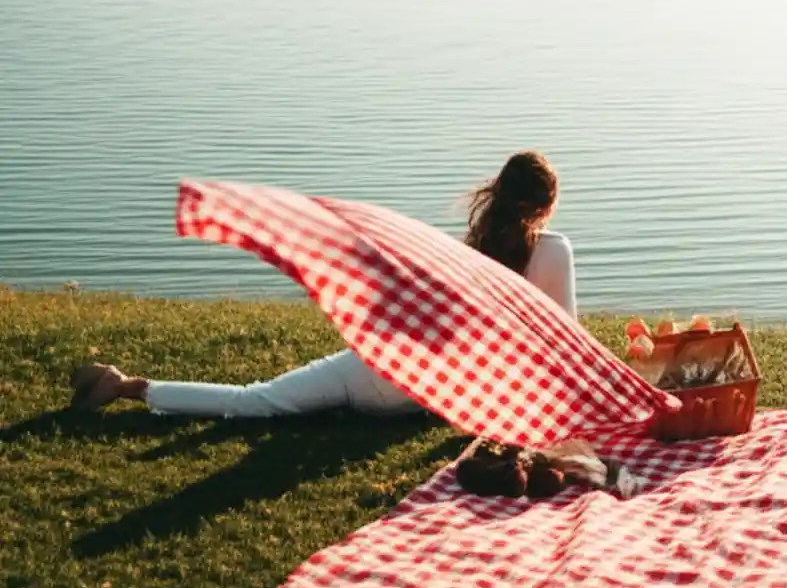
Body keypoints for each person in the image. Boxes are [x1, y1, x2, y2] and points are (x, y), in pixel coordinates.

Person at [68, 150, 576, 417]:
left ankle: (127, 385)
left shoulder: (469, 249)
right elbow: (568, 349)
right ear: (547, 206)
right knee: (258, 403)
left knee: (256, 399)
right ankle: (124, 386)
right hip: (416, 394)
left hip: (386, 365)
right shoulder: (553, 252)